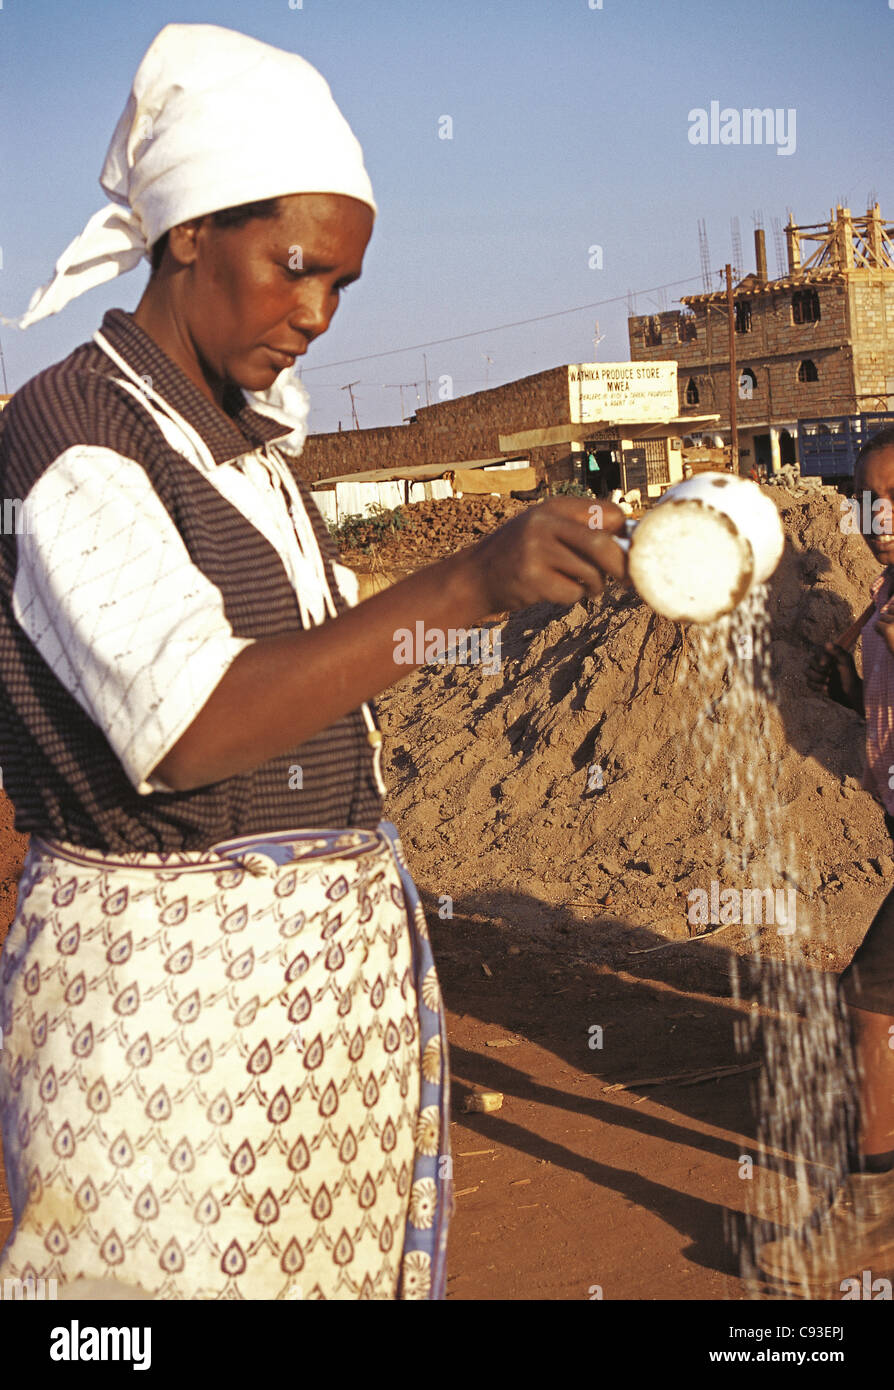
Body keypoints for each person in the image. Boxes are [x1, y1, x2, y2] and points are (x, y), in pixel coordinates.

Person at [0, 24, 628, 1301]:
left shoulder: (253, 451)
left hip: (308, 1019)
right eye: (295, 269)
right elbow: (189, 729)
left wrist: (530, 597)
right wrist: (467, 577)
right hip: (164, 1027)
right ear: (189, 232)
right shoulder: (72, 438)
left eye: (340, 286)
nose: (315, 315)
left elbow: (329, 669)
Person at [757, 425, 894, 1287]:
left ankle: (873, 1216)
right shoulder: (883, 600)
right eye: (873, 499)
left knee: (870, 1004)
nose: (885, 516)